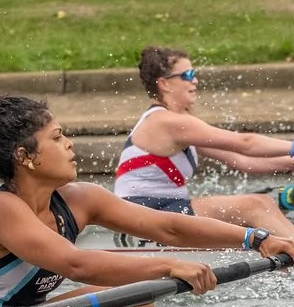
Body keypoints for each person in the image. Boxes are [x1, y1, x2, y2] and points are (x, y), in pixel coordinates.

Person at [0, 92, 294, 307]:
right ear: (25, 156)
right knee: (106, 305)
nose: (69, 144)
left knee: (133, 291)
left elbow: (168, 227)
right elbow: (79, 265)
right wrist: (168, 265)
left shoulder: (80, 199)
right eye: (57, 137)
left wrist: (256, 238)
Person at [109, 46, 294, 237]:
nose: (195, 80)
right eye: (188, 75)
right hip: (140, 215)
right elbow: (245, 143)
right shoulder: (165, 122)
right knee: (256, 205)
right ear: (164, 84)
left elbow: (242, 161)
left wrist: (290, 162)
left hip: (163, 210)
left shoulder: (177, 124)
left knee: (264, 203)